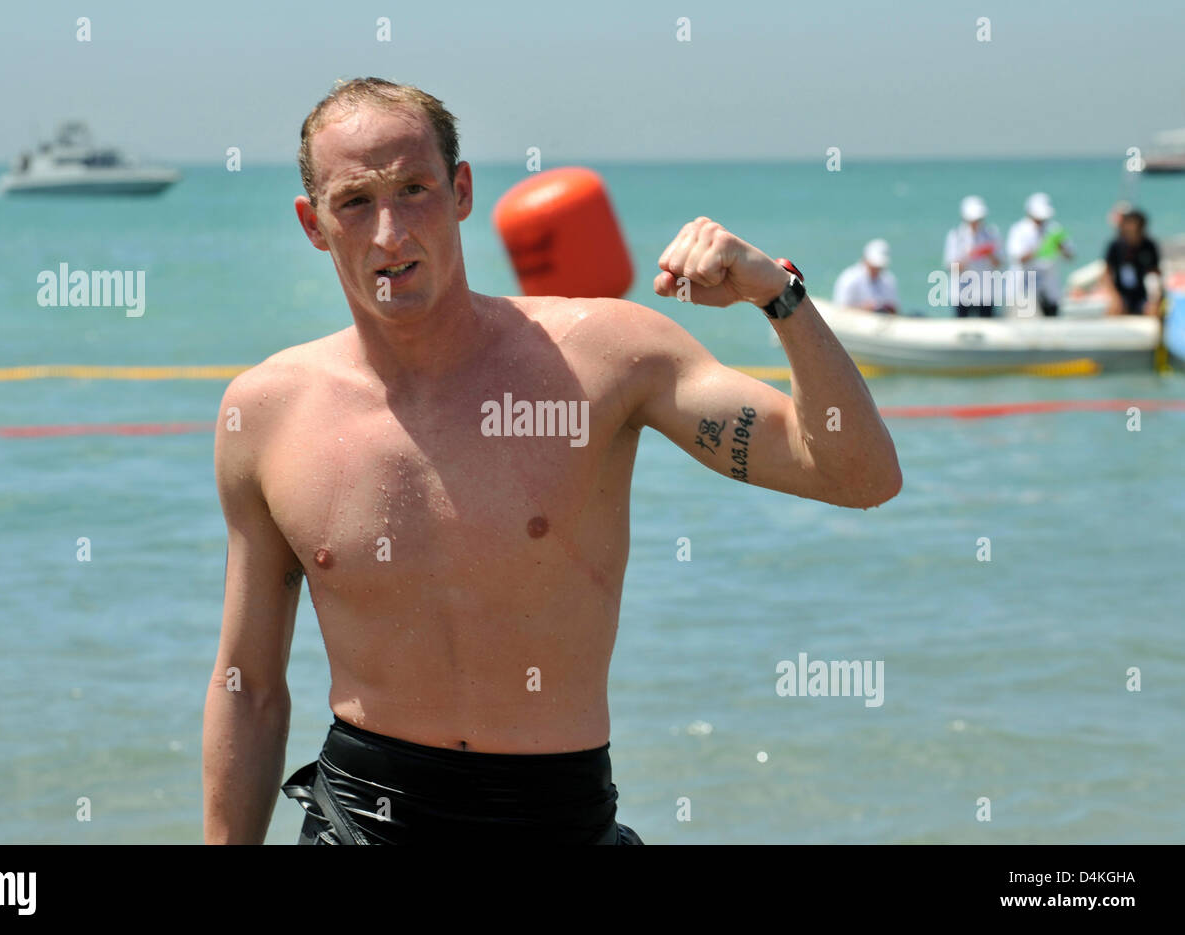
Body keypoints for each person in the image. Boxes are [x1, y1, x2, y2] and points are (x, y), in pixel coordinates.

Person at [201, 77, 902, 846]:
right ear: (313, 223)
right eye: (355, 202)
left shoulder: (605, 358)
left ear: (462, 190)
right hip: (357, 820)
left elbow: (858, 476)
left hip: (558, 819)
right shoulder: (267, 412)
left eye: (415, 189)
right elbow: (250, 687)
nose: (391, 233)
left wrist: (779, 298)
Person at [1006, 193, 1073, 317]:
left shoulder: (1055, 229)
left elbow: (1070, 256)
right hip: (1025, 287)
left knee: (1051, 322)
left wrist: (1060, 247)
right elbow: (1018, 258)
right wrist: (1041, 247)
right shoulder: (1019, 230)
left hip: (1049, 288)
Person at [942, 195, 1001, 317]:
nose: (976, 223)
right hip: (962, 292)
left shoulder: (991, 233)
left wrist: (988, 253)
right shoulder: (956, 235)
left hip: (986, 292)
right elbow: (951, 267)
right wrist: (971, 255)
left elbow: (999, 263)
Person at [1102, 209, 1162, 316]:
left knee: (1154, 311)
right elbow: (1107, 274)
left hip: (1142, 294)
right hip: (1121, 294)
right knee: (1113, 310)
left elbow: (1154, 273)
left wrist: (1154, 299)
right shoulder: (1116, 246)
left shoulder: (1149, 246)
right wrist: (1114, 297)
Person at [832, 239, 899, 313]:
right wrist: (864, 308)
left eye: (879, 267)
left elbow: (894, 309)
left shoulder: (889, 280)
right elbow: (839, 309)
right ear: (865, 259)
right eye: (874, 265)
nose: (876, 269)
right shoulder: (849, 279)